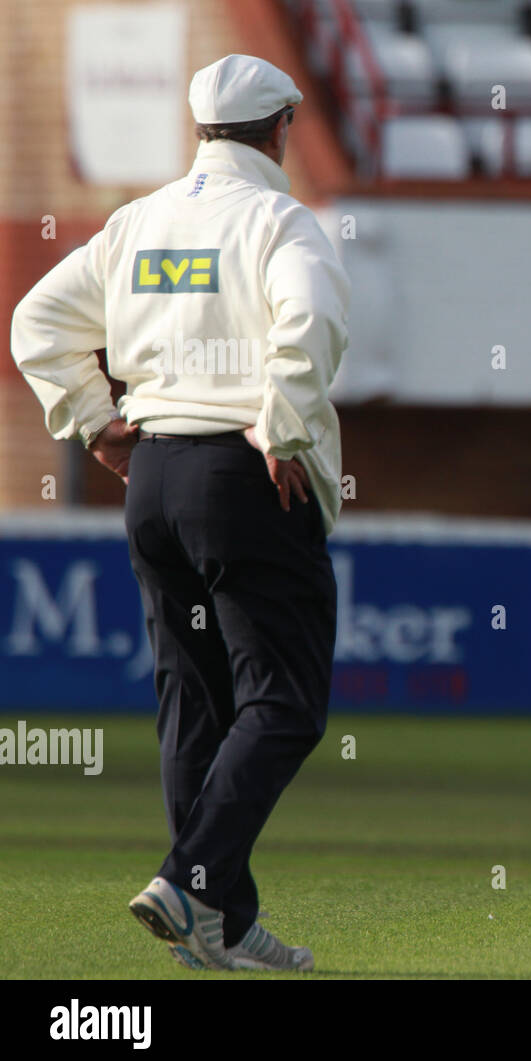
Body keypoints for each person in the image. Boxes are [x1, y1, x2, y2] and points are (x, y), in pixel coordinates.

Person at [10, 55, 348, 970]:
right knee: (283, 700)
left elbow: (36, 322)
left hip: (153, 475)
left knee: (193, 704)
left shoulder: (138, 221)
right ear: (280, 129)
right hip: (246, 472)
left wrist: (95, 421)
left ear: (199, 129)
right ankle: (190, 881)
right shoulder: (281, 221)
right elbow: (311, 321)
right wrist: (283, 427)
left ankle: (220, 924)